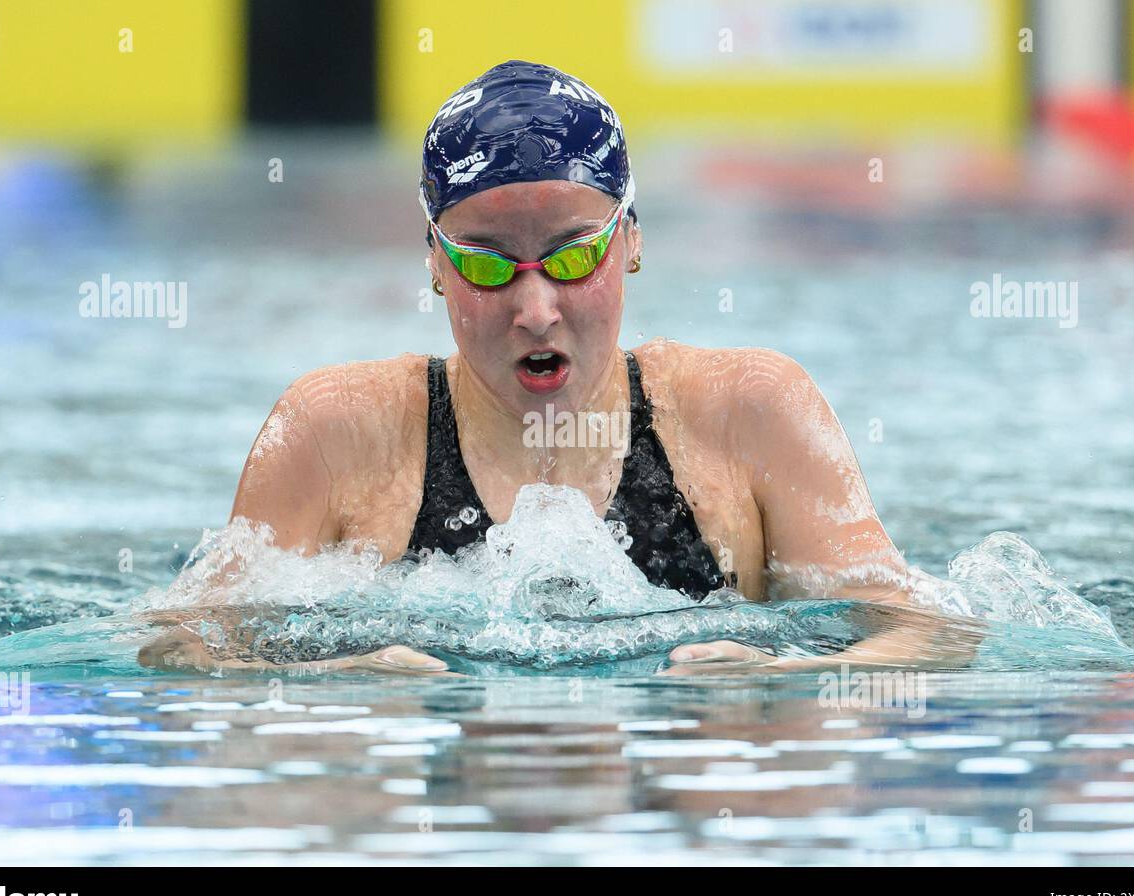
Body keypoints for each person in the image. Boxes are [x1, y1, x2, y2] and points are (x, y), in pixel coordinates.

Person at [139, 60, 980, 676]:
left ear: (633, 240)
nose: (536, 307)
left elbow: (937, 632)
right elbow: (179, 647)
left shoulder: (751, 411)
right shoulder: (333, 431)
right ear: (433, 261)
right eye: (489, 264)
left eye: (574, 258)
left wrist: (789, 681)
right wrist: (328, 687)